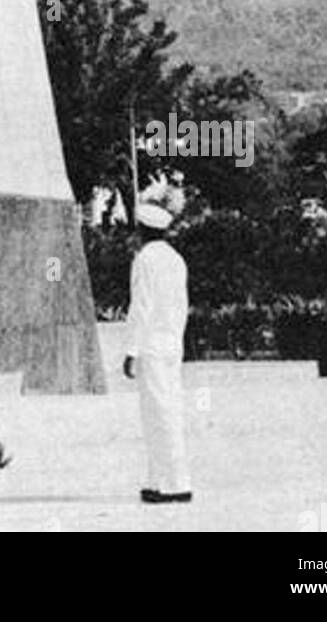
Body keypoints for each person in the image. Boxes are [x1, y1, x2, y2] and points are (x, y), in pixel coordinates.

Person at [122, 184, 193, 504]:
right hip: (171, 345)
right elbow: (180, 307)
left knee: (158, 414)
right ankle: (158, 479)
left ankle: (174, 484)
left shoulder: (145, 260)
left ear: (143, 229)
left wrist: (131, 351)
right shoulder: (176, 260)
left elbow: (142, 308)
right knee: (166, 410)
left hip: (151, 346)